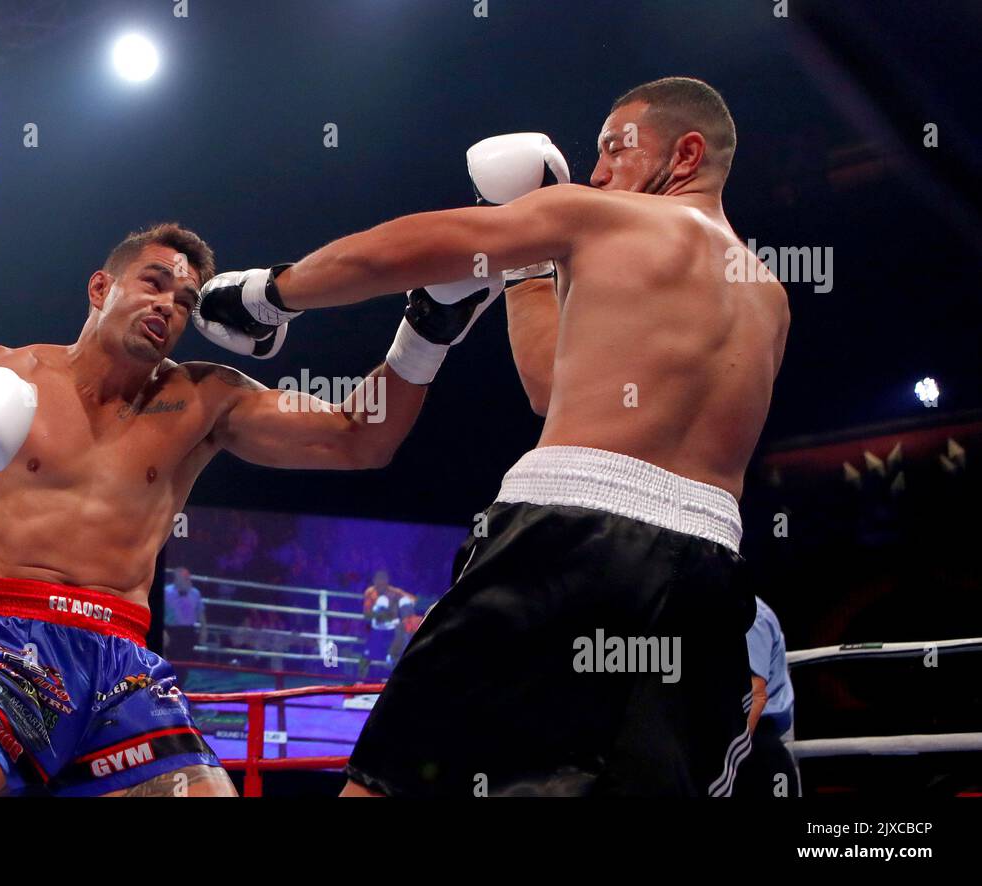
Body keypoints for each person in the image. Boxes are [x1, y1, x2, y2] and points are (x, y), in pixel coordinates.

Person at [197, 77, 790, 796]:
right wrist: (534, 267)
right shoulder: (768, 293)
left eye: (614, 149)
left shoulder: (602, 217)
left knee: (392, 780)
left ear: (687, 152)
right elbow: (552, 386)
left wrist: (268, 292)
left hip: (566, 536)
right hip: (705, 576)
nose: (598, 170)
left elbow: (413, 248)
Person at [0, 221, 494, 796]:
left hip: (124, 672)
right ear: (101, 288)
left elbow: (362, 438)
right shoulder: (6, 372)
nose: (167, 305)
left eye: (184, 301)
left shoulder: (203, 399)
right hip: (4, 643)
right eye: (152, 283)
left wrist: (428, 328)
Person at [736, 597, 801, 797]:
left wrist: (732, 757)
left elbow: (755, 696)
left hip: (755, 746)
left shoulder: (749, 614)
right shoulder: (707, 612)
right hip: (733, 744)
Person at [360, 571, 416, 679]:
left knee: (403, 626)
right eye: (379, 579)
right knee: (367, 655)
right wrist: (381, 614)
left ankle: (395, 659)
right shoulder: (370, 593)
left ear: (387, 581)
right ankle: (361, 678)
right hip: (376, 626)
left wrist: (401, 605)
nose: (381, 582)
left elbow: (412, 599)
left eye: (383, 579)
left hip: (392, 627)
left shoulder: (394, 592)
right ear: (374, 580)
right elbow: (367, 614)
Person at [163, 567, 206, 662]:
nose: (187, 580)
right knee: (169, 660)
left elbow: (201, 613)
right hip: (171, 630)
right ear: (176, 580)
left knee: (186, 661)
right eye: (184, 578)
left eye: (188, 578)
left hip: (188, 631)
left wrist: (203, 630)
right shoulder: (166, 592)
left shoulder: (195, 593)